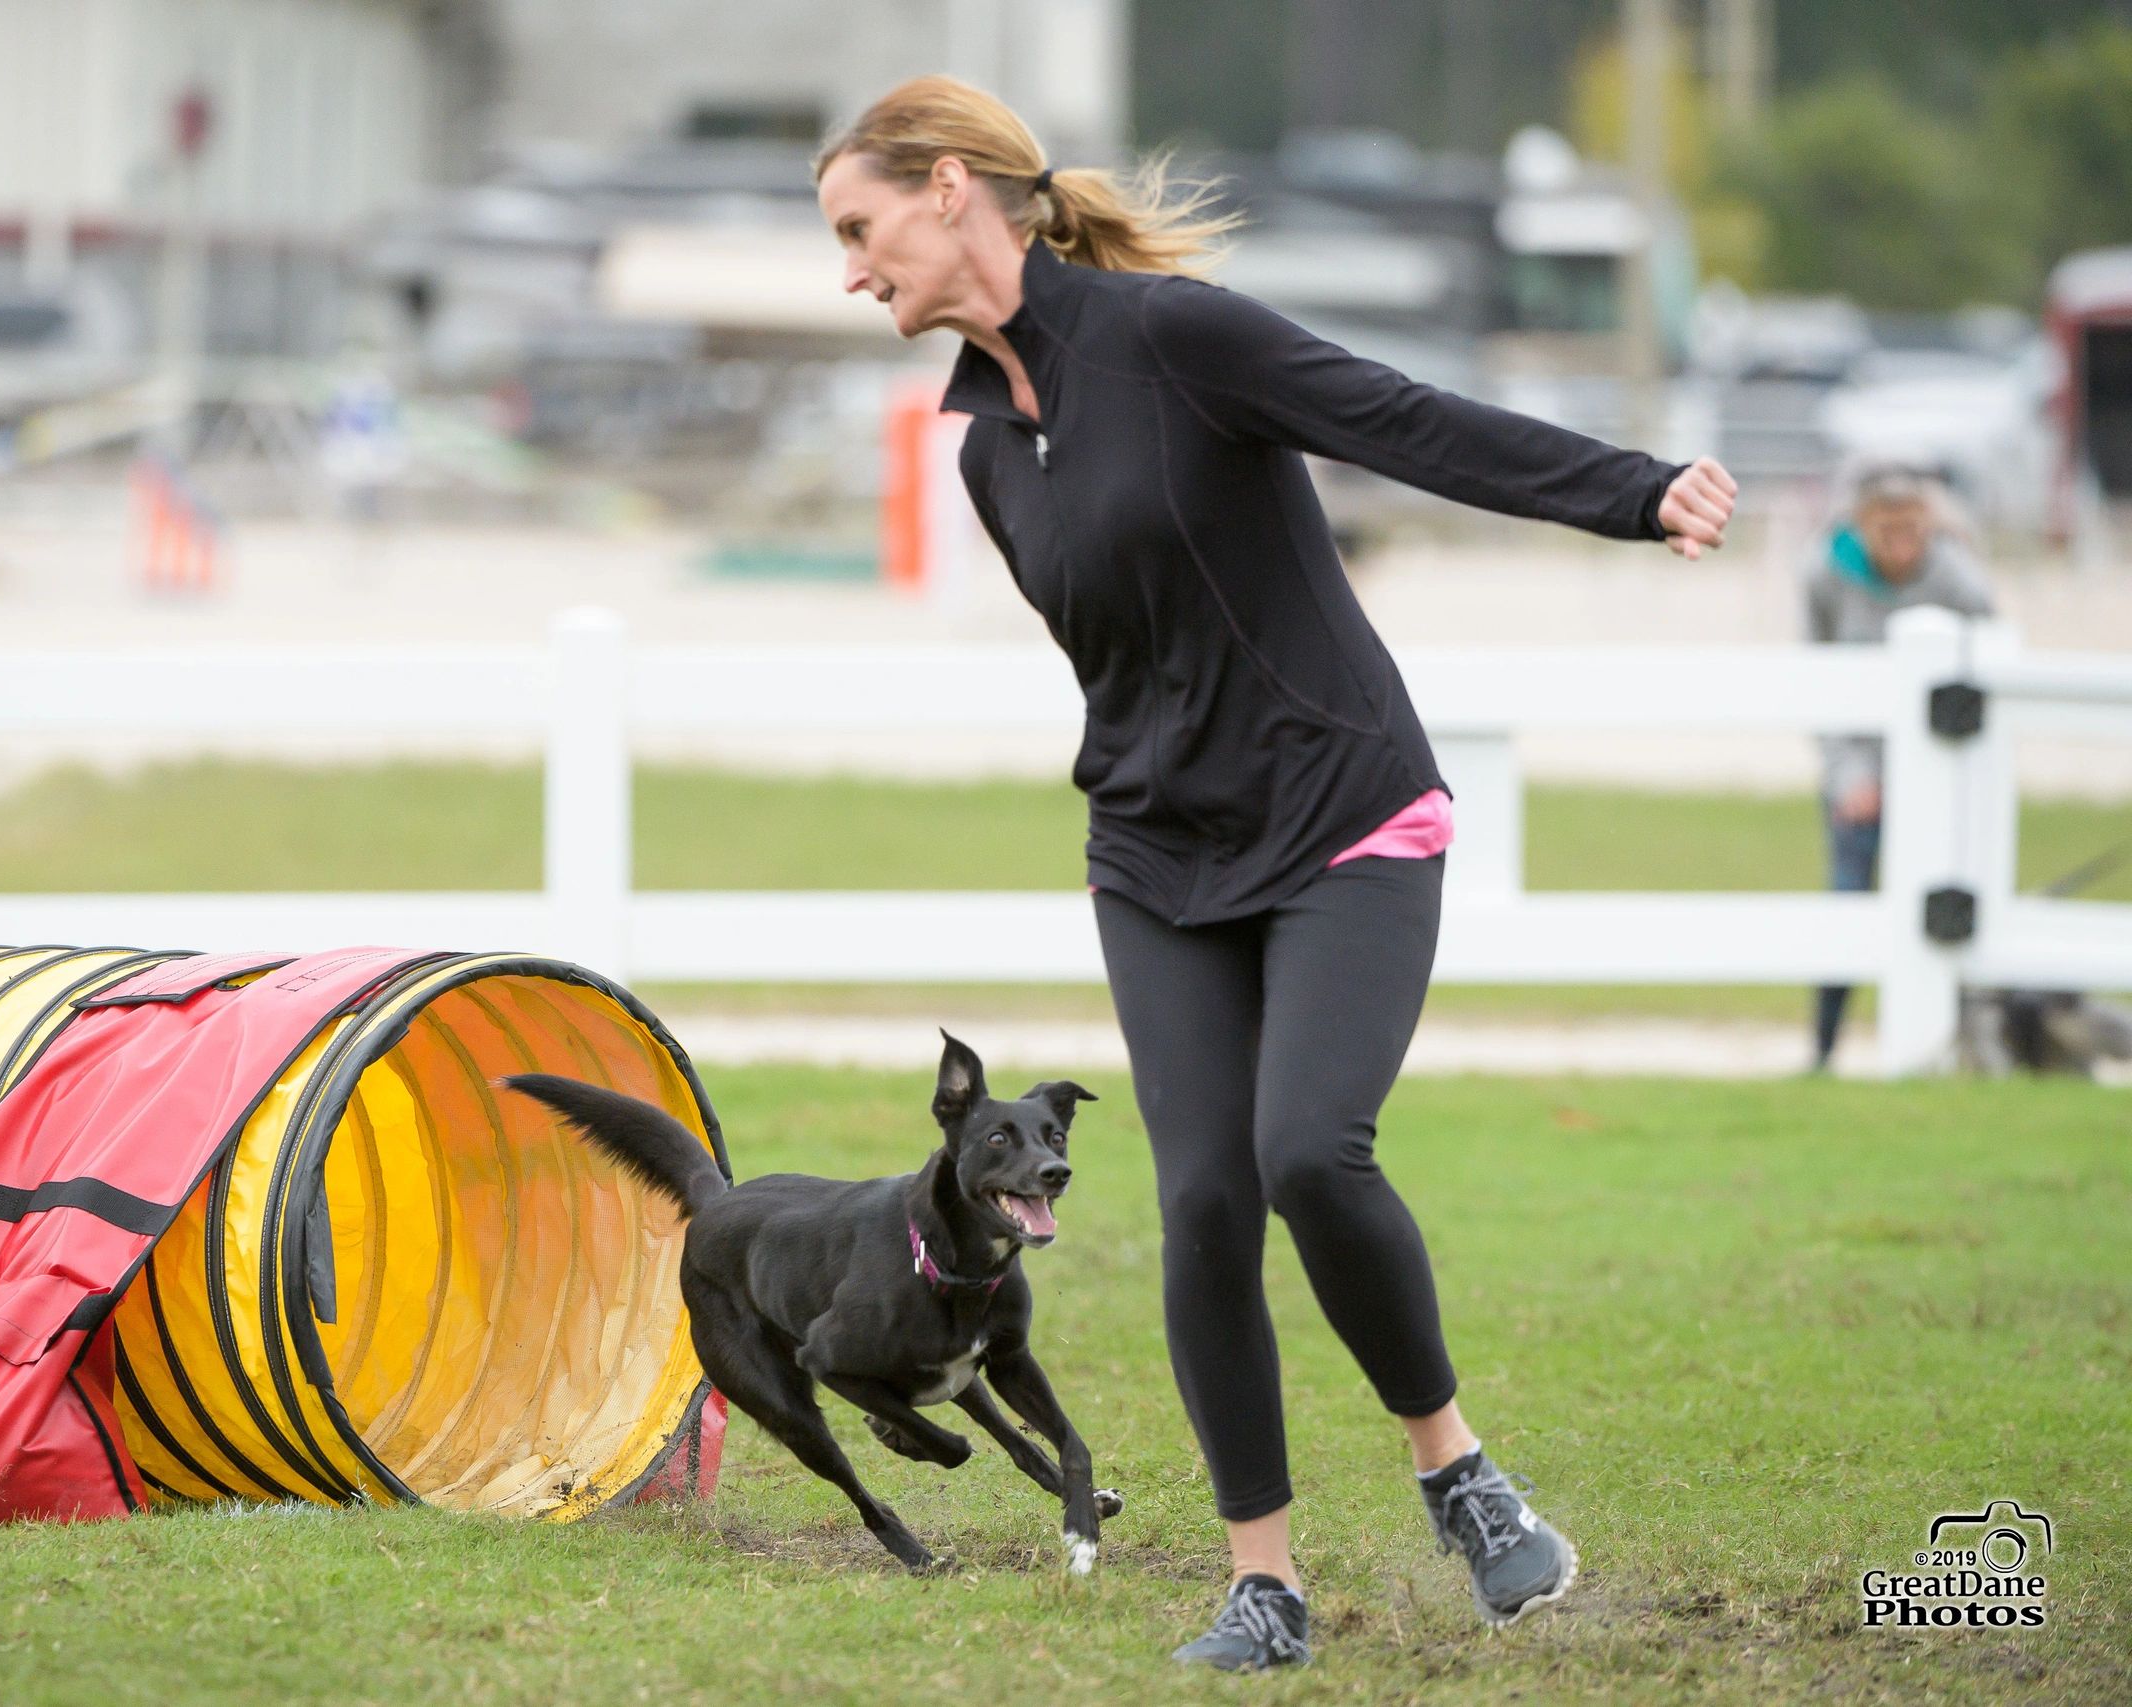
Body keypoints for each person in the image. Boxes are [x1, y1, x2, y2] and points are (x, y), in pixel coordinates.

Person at [813, 76, 1739, 1672]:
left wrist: (1632, 488)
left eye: (858, 226)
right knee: (1200, 1197)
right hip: (1157, 853)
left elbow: (1403, 418)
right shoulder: (980, 446)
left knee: (1310, 1147)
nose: (847, 269)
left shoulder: (1176, 337)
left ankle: (1456, 1470)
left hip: (1340, 811)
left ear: (951, 187)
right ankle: (1264, 1579)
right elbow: (1126, 665)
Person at [1801, 464, 1996, 1072]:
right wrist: (1847, 775)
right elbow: (1816, 681)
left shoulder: (1959, 581)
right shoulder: (1827, 576)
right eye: (1886, 530)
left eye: (1913, 528)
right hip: (1858, 771)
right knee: (1848, 899)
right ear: (1862, 528)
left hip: (1940, 771)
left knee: (1952, 911)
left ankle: (1959, 1049)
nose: (1901, 543)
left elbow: (1988, 667)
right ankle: (1823, 1050)